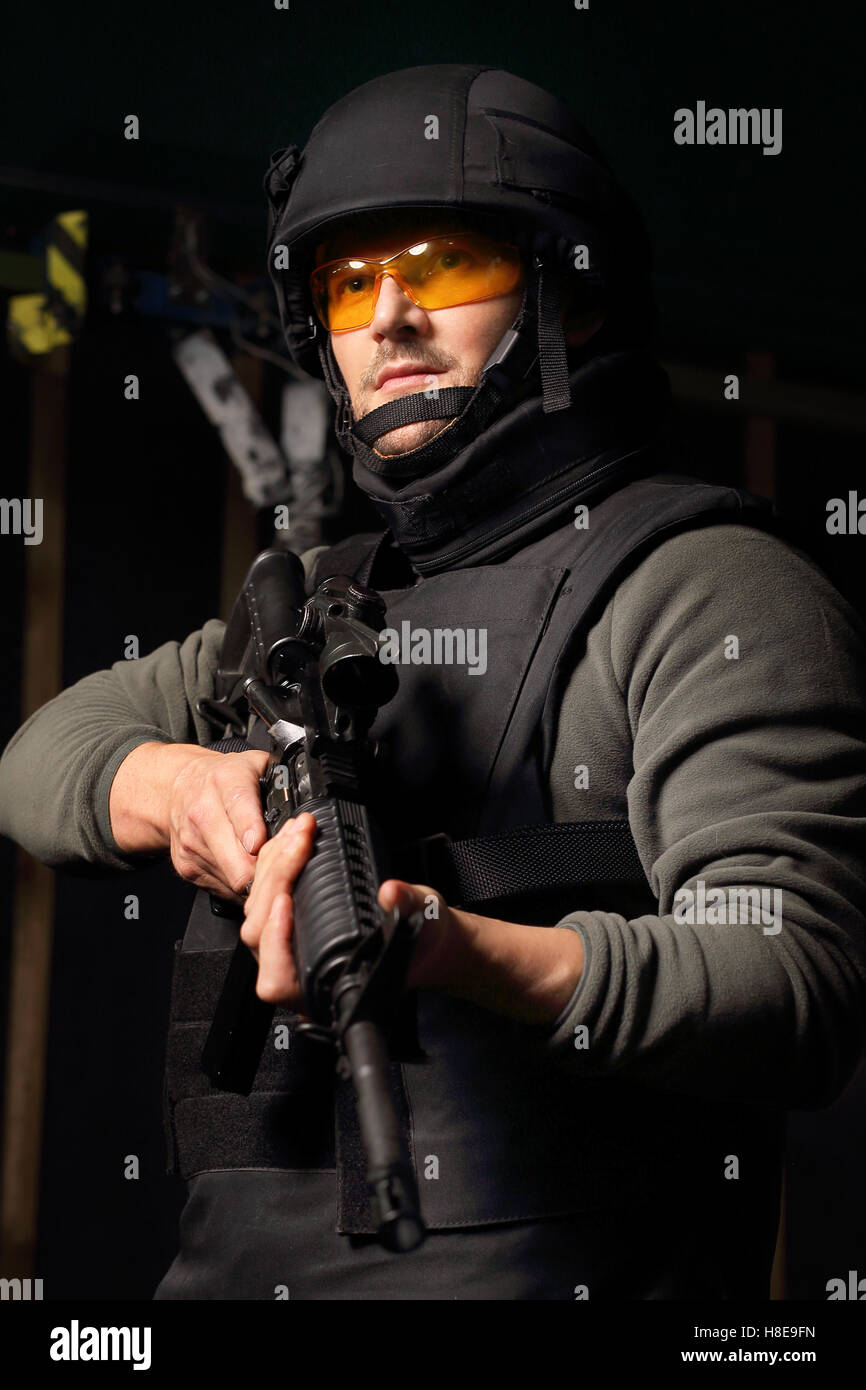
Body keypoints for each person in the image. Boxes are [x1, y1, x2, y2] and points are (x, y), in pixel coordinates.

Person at [2, 63, 865, 1301]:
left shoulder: (706, 587)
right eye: (349, 284)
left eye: (443, 264)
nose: (388, 318)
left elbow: (793, 983)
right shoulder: (307, 598)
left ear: (569, 298)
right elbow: (38, 759)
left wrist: (448, 948)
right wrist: (177, 784)